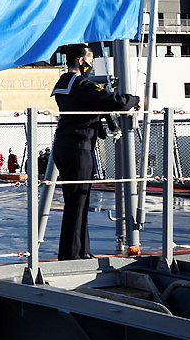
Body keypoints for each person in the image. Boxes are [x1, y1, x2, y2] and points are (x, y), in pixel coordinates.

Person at [51, 44, 139, 260]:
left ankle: (81, 250)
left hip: (64, 145)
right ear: (81, 61)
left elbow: (84, 107)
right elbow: (114, 101)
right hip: (79, 147)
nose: (91, 65)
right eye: (90, 60)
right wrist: (135, 100)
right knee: (78, 201)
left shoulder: (64, 82)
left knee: (77, 201)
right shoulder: (80, 83)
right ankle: (72, 254)